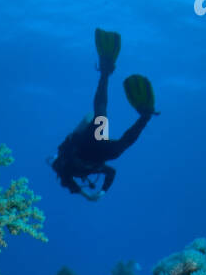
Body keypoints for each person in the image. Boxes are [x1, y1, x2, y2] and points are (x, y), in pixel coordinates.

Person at [50, 29, 158, 201]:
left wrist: (86, 195)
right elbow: (111, 173)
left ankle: (105, 71)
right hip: (100, 149)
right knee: (120, 148)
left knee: (101, 112)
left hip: (88, 142)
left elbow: (68, 182)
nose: (83, 166)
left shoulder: (65, 167)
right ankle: (145, 116)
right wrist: (100, 192)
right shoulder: (94, 169)